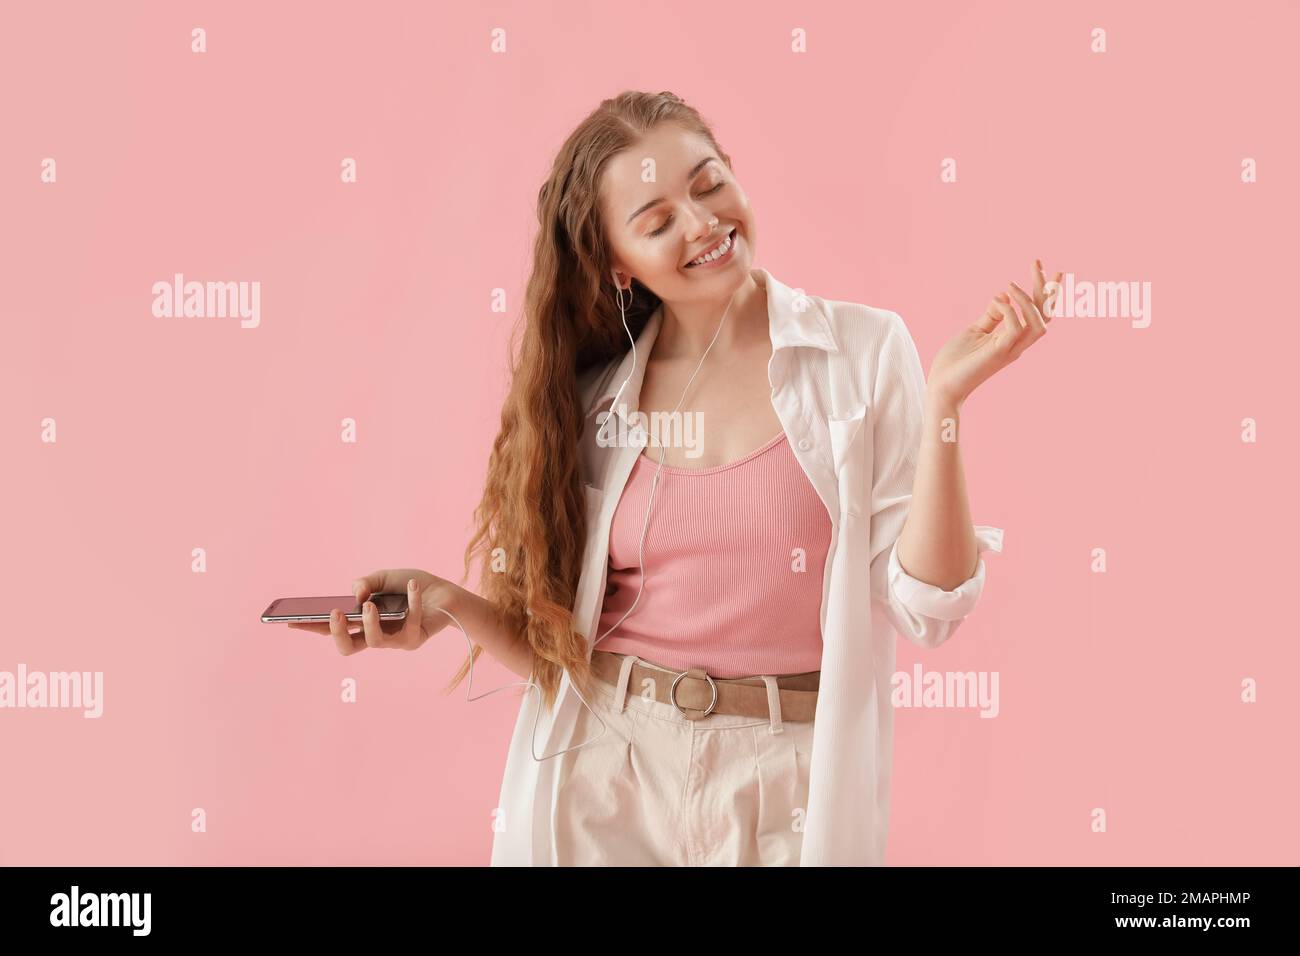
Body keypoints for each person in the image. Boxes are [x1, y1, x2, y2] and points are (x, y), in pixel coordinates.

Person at [287, 90, 1057, 866]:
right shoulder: (596, 403)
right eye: (656, 221)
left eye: (710, 182)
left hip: (784, 779)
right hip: (607, 772)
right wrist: (448, 607)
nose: (702, 224)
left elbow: (928, 607)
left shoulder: (862, 352)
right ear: (617, 262)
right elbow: (561, 657)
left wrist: (948, 400)